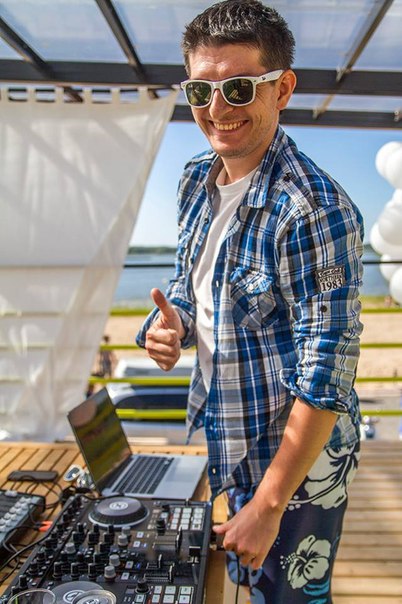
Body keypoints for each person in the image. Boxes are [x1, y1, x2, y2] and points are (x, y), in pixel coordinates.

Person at [136, 1, 364, 601]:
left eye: (238, 88)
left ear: (282, 89)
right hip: (232, 432)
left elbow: (326, 373)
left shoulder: (315, 211)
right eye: (200, 90)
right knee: (239, 583)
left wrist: (267, 505)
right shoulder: (194, 179)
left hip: (299, 467)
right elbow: (191, 285)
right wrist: (172, 326)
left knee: (289, 597)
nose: (217, 109)